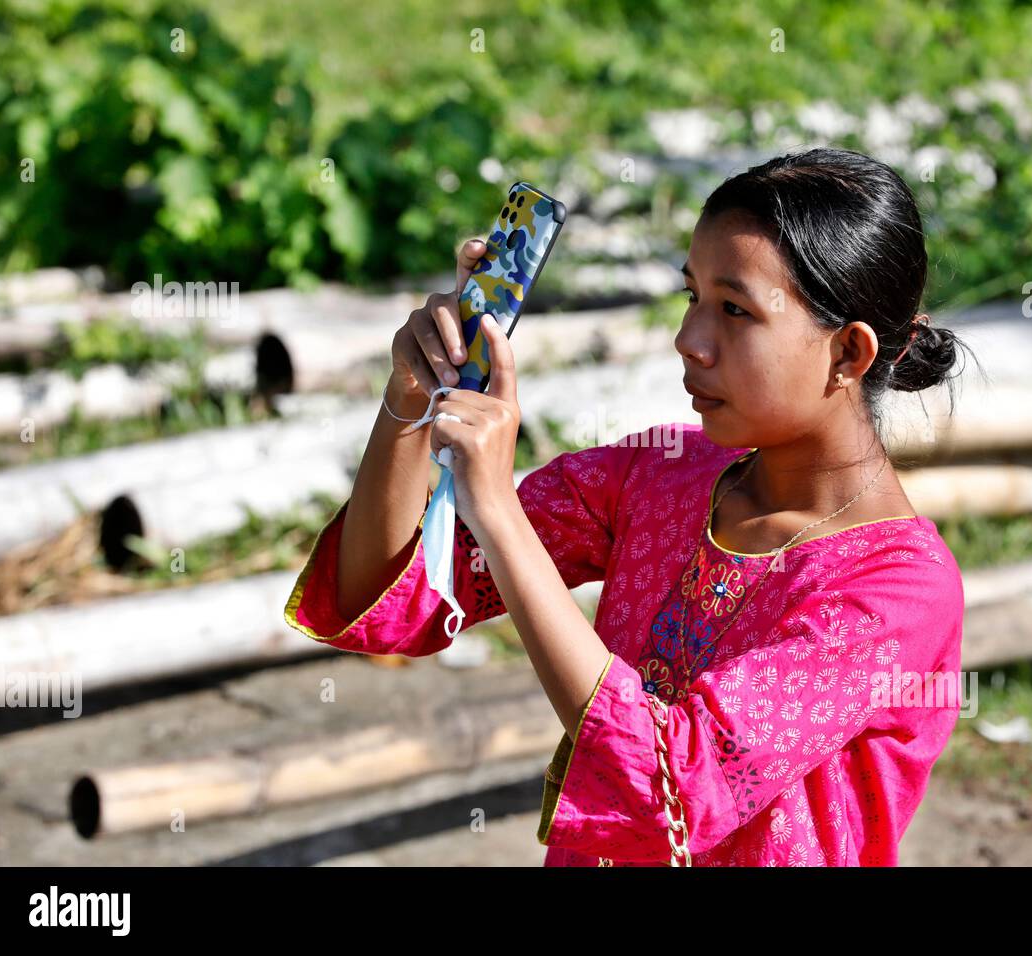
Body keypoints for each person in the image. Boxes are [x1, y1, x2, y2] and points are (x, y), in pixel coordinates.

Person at [283, 146, 974, 866]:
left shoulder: (898, 590)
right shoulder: (659, 474)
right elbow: (388, 596)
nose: (689, 341)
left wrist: (496, 504)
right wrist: (409, 399)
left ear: (850, 353)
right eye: (691, 297)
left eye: (734, 309)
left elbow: (673, 785)